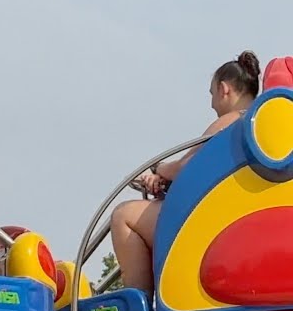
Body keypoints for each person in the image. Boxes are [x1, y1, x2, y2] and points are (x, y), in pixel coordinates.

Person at [110, 50, 261, 292]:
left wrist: (159, 170)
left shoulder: (231, 121)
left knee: (123, 216)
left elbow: (185, 168)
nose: (212, 104)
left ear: (224, 89)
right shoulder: (259, 125)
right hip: (238, 220)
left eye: (212, 94)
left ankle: (139, 302)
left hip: (209, 224)